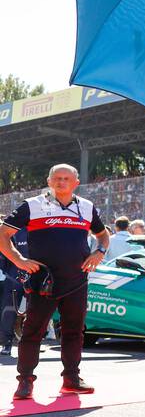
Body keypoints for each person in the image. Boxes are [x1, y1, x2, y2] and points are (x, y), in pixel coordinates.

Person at [0, 164, 109, 399]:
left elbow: (103, 235)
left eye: (66, 178)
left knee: (73, 332)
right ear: (49, 181)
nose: (61, 182)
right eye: (57, 178)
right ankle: (25, 382)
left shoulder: (87, 207)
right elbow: (3, 234)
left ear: (76, 183)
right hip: (43, 280)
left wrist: (99, 252)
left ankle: (71, 379)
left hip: (77, 280)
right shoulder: (32, 205)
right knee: (32, 332)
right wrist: (18, 260)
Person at [0, 225, 27, 358]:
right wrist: (8, 272)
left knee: (36, 312)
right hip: (14, 277)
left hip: (37, 277)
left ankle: (32, 345)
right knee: (9, 311)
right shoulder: (14, 231)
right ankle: (6, 344)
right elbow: (3, 251)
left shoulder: (43, 229)